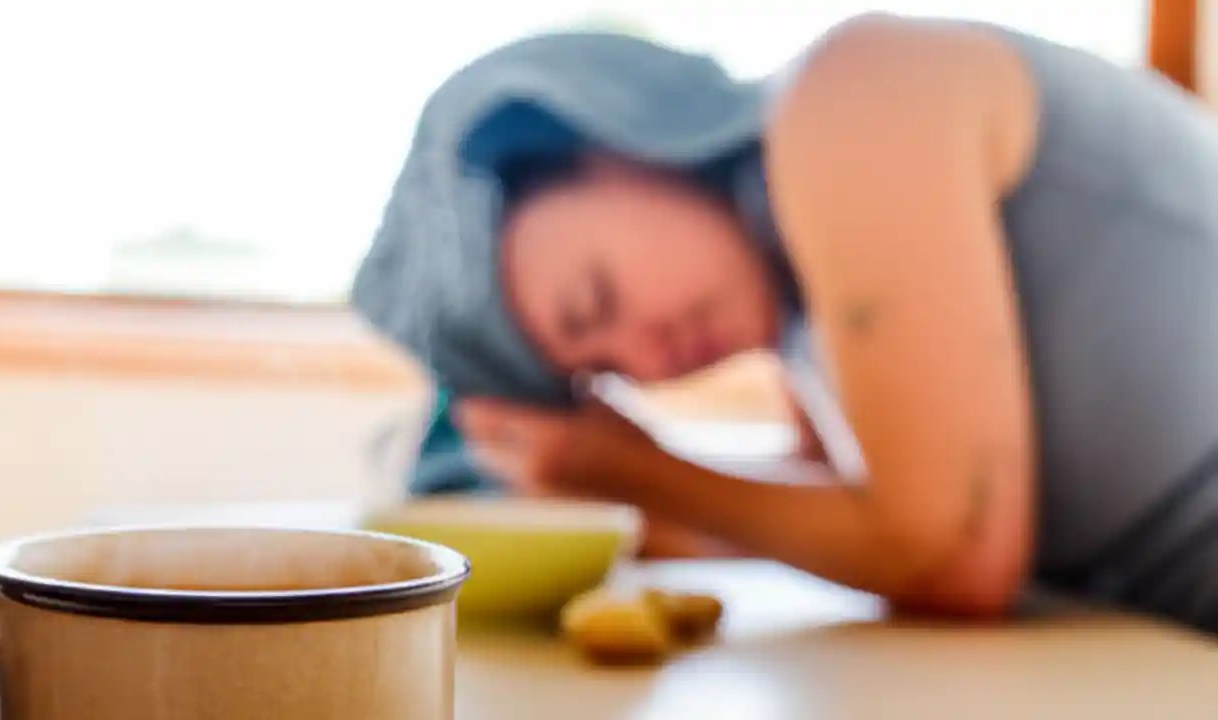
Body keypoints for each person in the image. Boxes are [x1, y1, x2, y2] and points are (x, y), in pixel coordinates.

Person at [354, 15, 1218, 631]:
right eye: (602, 369)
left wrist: (622, 463)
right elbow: (835, 516)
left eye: (596, 301)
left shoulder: (852, 99)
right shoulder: (805, 318)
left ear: (619, 137)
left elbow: (950, 554)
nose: (646, 360)